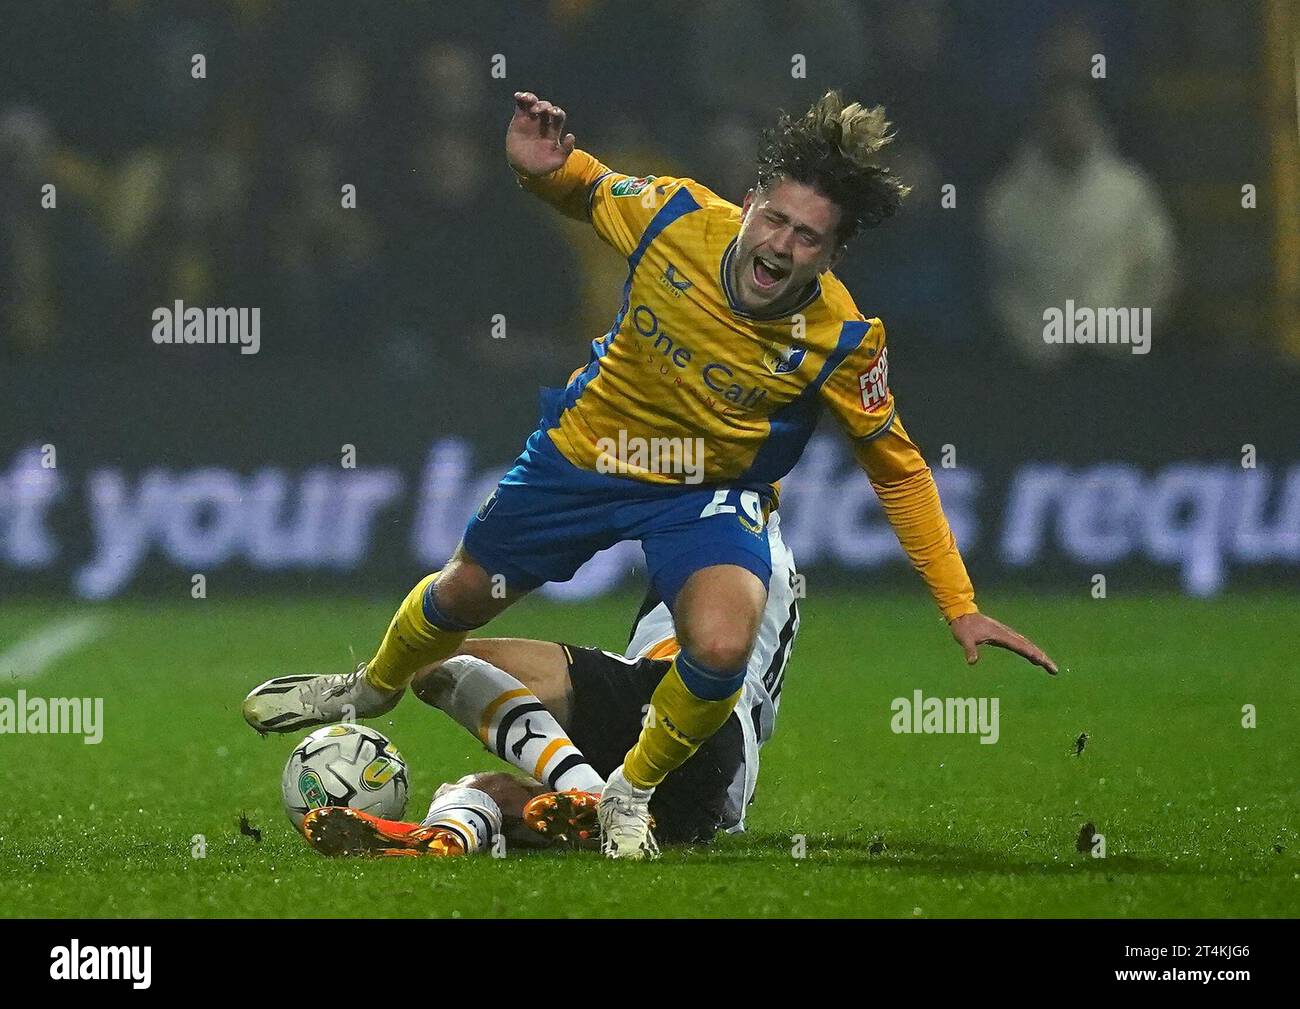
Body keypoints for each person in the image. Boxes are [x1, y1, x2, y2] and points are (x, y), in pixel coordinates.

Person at [245, 89, 1058, 861]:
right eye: (773, 218)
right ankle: (373, 686)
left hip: (707, 492)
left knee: (723, 639)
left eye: (807, 237)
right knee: (460, 595)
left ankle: (626, 794)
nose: (779, 244)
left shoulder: (843, 338)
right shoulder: (675, 216)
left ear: (833, 252)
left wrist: (959, 603)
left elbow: (901, 468)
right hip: (592, 452)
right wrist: (536, 167)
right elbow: (585, 185)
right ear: (749, 202)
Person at [299, 512, 801, 858]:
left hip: (688, 708)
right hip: (707, 794)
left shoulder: (742, 539)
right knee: (483, 793)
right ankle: (453, 832)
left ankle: (594, 792)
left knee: (437, 661)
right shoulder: (712, 539)